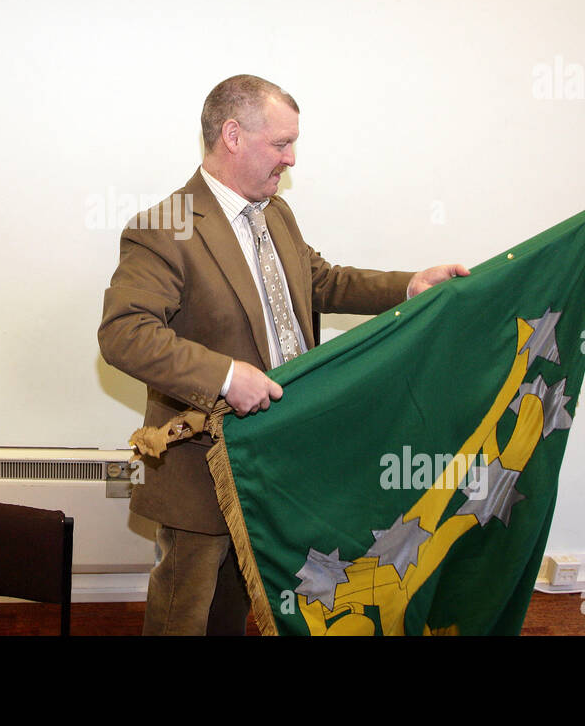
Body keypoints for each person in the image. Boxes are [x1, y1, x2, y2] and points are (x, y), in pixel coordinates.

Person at [98, 74, 468, 635]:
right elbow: (124, 332)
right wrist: (223, 376)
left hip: (279, 457)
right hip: (204, 464)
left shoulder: (275, 212)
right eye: (281, 143)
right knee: (184, 610)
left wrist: (408, 285)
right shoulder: (163, 226)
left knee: (240, 602)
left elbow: (321, 280)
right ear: (232, 135)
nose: (291, 160)